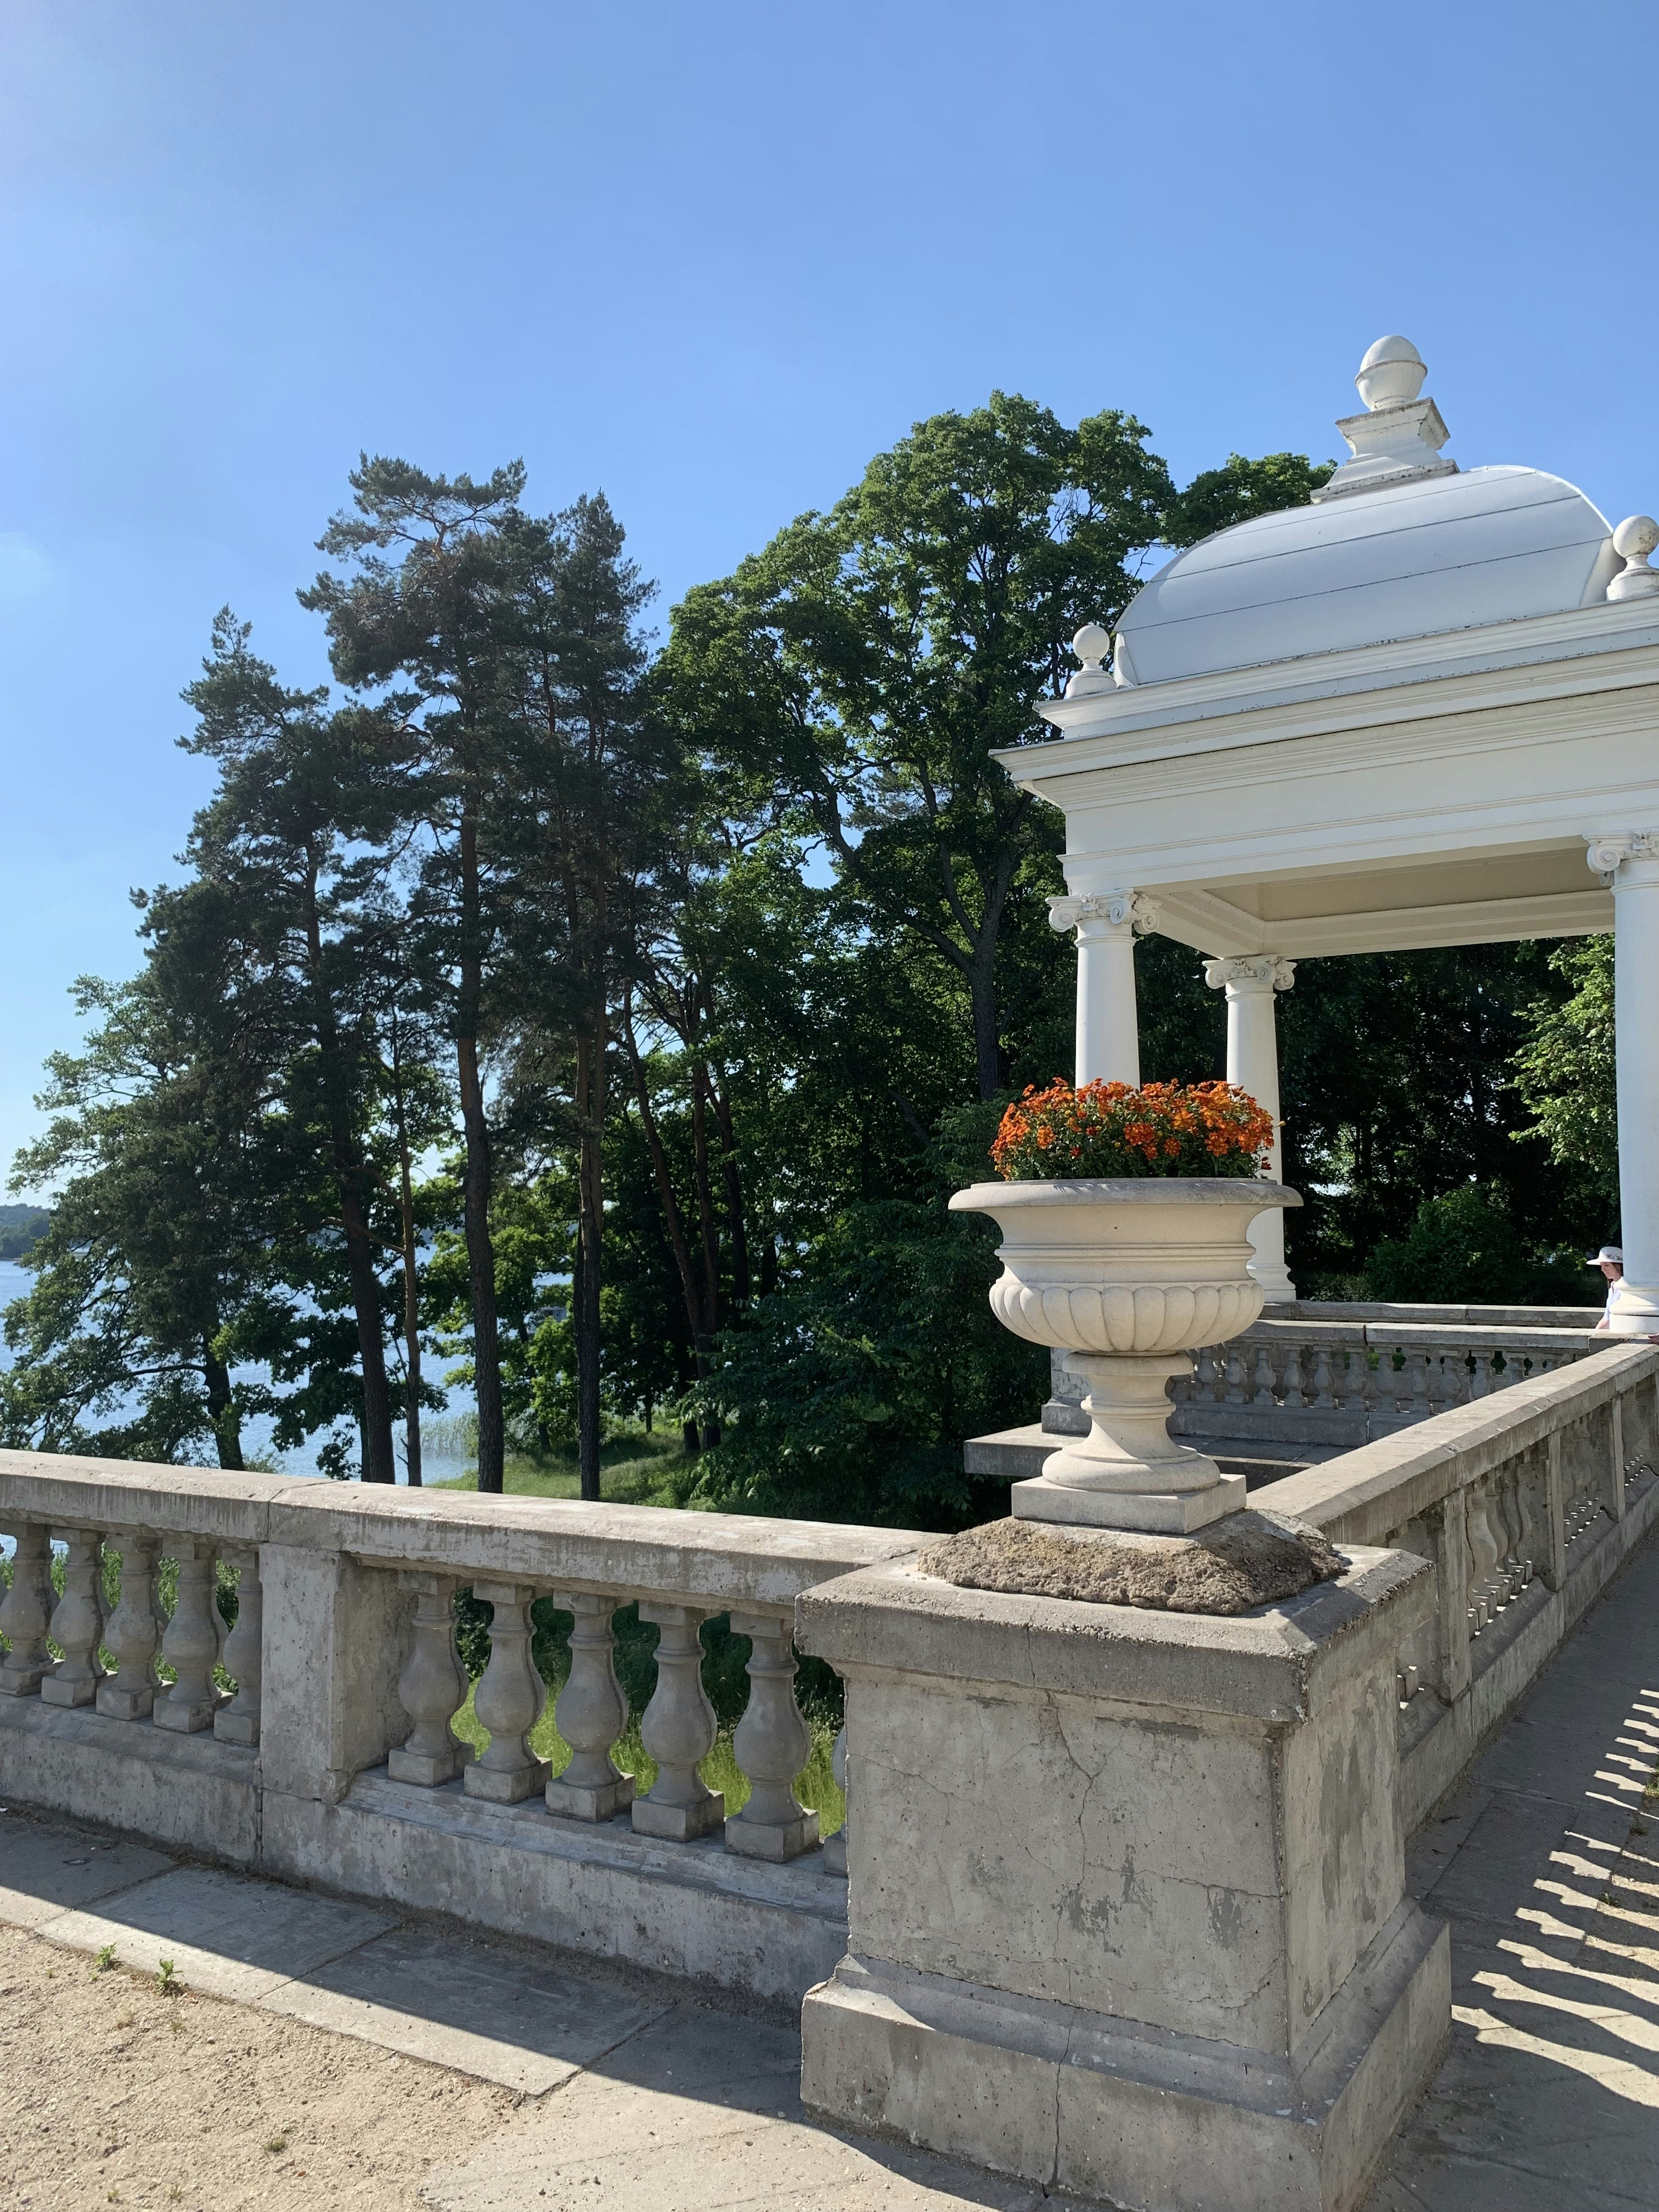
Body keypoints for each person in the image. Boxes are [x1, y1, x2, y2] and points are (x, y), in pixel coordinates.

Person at [1589, 1244, 1626, 1331]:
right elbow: (1607, 1318)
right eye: (1601, 1265)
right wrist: (1594, 1335)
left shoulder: (1630, 1288)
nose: (1603, 1269)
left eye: (1607, 1265)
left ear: (1618, 1266)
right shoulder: (1612, 1286)